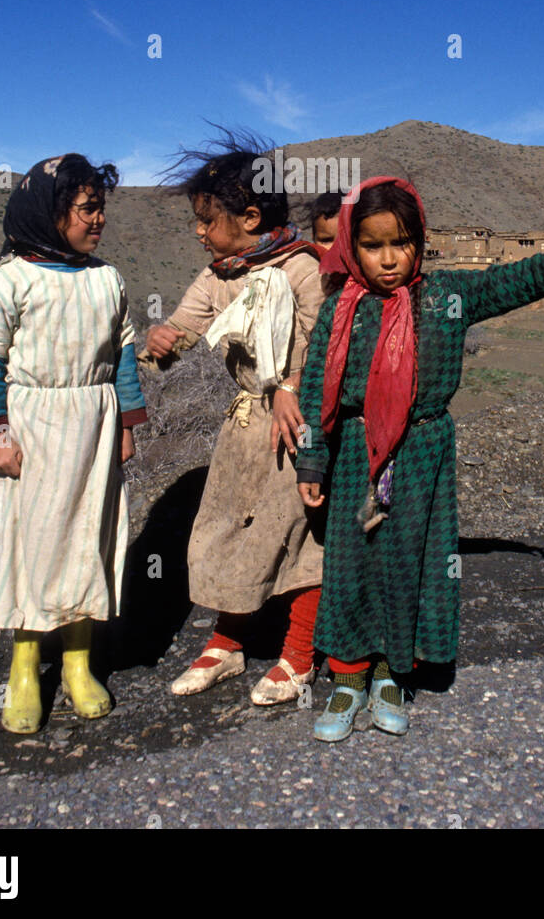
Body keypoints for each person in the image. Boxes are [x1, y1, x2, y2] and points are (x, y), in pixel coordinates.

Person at [296, 176, 544, 742]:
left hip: (423, 451)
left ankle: (389, 674)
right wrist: (312, 462)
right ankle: (347, 677)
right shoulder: (340, 311)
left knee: (408, 560)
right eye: (372, 245)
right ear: (351, 247)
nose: (387, 260)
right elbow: (314, 390)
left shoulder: (446, 298)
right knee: (352, 564)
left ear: (420, 241)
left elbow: (516, 278)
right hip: (355, 453)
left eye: (400, 243)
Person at [0, 154, 147, 733]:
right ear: (50, 212)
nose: (99, 221)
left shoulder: (107, 278)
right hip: (33, 427)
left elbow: (121, 358)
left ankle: (76, 662)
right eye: (88, 209)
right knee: (33, 544)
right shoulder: (12, 279)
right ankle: (24, 666)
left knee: (86, 538)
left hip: (93, 424)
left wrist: (125, 427)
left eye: (101, 209)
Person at [141, 130, 324, 705]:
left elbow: (329, 348)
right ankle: (228, 640)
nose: (199, 231)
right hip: (245, 426)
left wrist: (295, 385)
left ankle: (298, 655)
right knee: (224, 530)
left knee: (298, 539)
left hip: (298, 427)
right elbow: (181, 333)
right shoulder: (218, 275)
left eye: (207, 220)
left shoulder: (302, 270)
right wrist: (161, 342)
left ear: (249, 217)